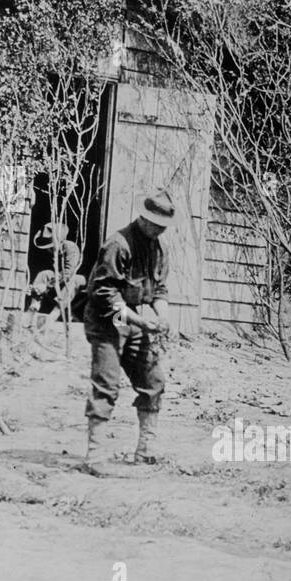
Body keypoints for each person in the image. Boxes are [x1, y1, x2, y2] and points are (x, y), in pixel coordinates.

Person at [82, 190, 176, 475]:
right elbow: (104, 295)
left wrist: (163, 316)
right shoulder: (118, 244)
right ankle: (94, 456)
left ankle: (145, 450)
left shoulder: (158, 249)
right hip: (105, 321)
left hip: (134, 321)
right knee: (107, 385)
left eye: (164, 225)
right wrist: (139, 321)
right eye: (156, 224)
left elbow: (158, 290)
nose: (160, 229)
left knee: (153, 379)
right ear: (143, 219)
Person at [25, 221, 84, 319]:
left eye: (51, 247)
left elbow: (68, 272)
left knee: (73, 281)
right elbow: (56, 274)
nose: (49, 250)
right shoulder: (55, 252)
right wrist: (35, 288)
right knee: (45, 274)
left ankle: (54, 314)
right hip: (61, 279)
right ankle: (34, 306)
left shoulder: (70, 247)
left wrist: (46, 286)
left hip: (81, 280)